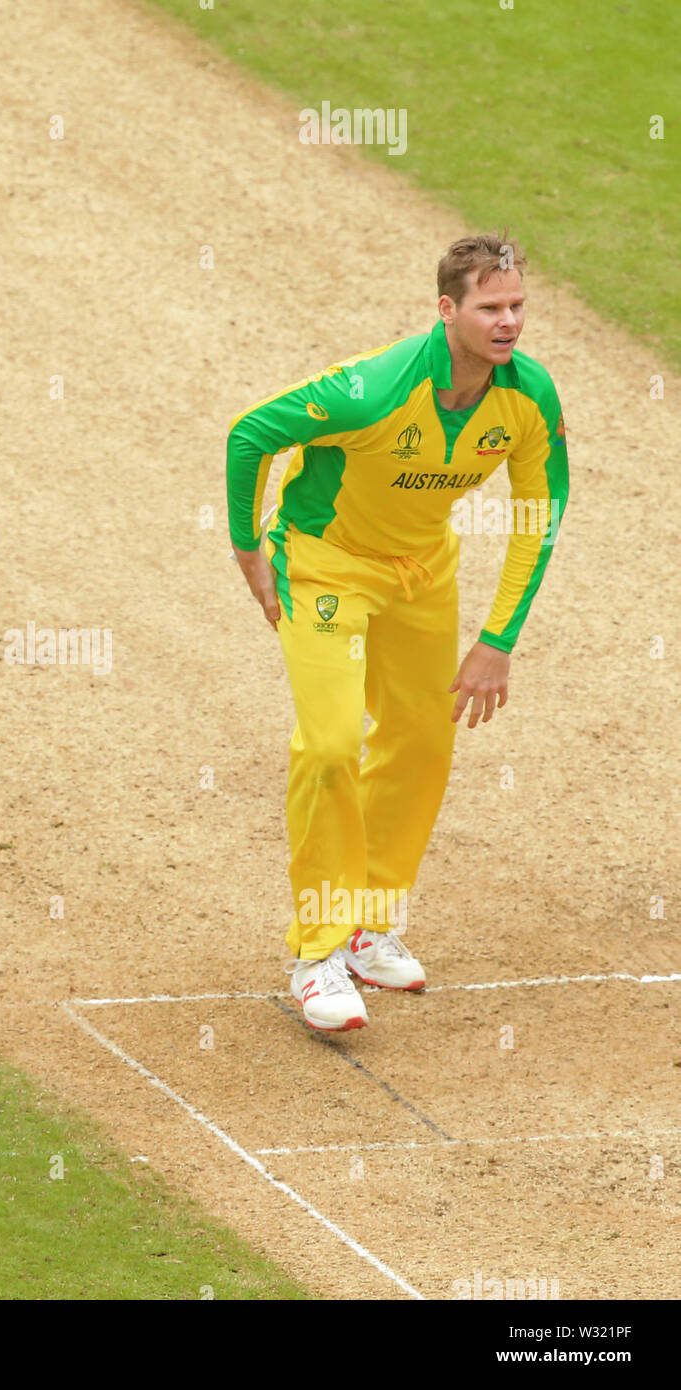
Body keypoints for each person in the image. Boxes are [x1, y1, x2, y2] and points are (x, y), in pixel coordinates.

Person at [226, 233, 568, 1032]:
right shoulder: (372, 390)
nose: (507, 322)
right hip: (325, 567)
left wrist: (497, 638)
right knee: (331, 745)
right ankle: (316, 954)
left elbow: (537, 513)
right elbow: (251, 434)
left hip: (420, 572)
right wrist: (250, 548)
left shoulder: (528, 397)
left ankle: (365, 924)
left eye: (516, 305)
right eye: (489, 307)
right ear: (446, 310)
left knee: (421, 738)